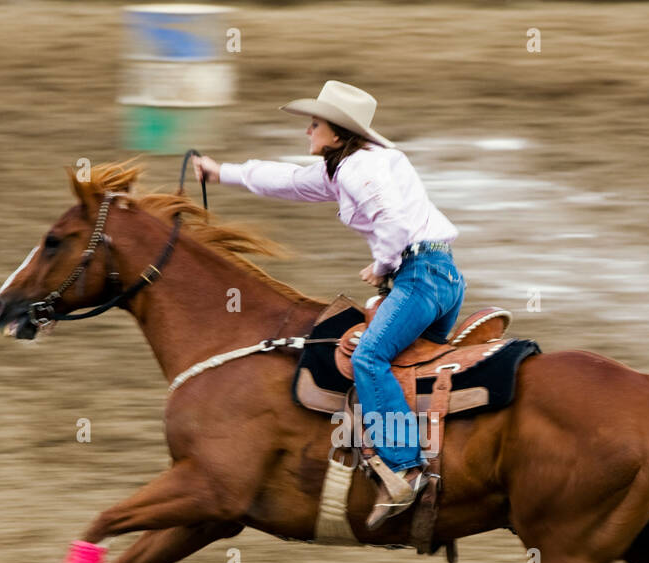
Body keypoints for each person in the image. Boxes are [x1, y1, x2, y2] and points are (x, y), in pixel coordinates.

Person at [193, 80, 465, 529]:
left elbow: (394, 224)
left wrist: (381, 266)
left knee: (369, 358)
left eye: (314, 124)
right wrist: (221, 172)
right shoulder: (347, 167)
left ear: (338, 134)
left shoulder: (360, 170)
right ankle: (435, 462)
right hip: (442, 278)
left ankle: (405, 470)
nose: (307, 132)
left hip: (419, 278)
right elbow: (284, 179)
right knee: (408, 373)